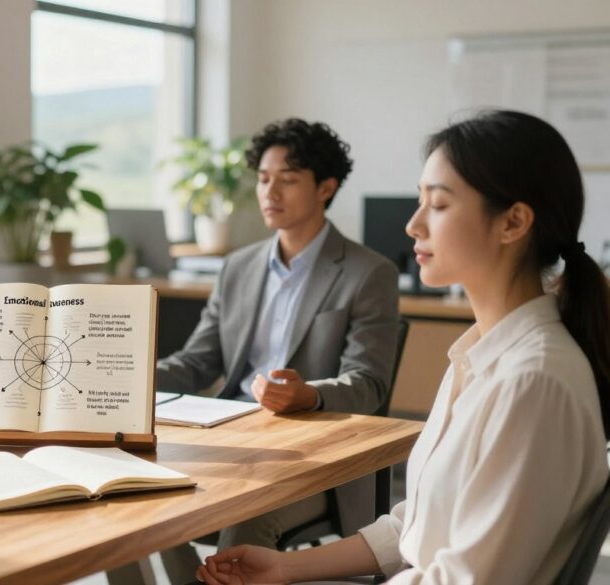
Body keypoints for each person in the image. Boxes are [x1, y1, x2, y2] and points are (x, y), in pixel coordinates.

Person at [196, 110, 610, 585]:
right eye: (420, 202)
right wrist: (287, 567)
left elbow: (466, 579)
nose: (413, 225)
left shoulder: (532, 381)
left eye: (438, 205)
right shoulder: (479, 359)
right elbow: (418, 526)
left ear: (513, 222)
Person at [119, 119, 401, 585]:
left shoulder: (368, 272)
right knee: (129, 499)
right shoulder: (238, 267)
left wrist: (309, 394)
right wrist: (123, 383)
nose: (271, 191)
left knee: (244, 520)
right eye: (264, 179)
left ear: (325, 188)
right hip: (232, 438)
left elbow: (368, 384)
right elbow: (197, 362)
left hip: (312, 462)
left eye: (288, 180)